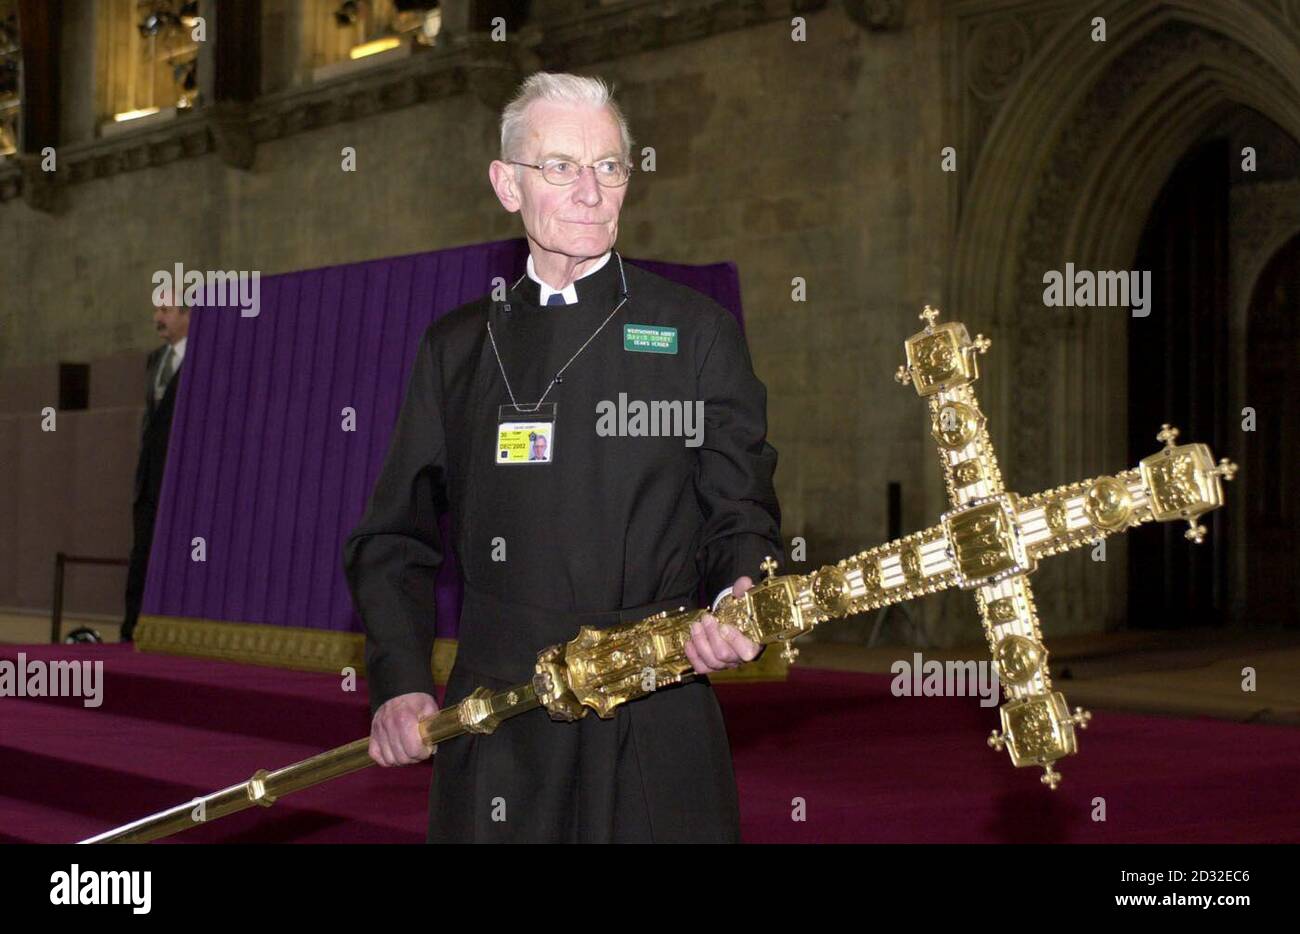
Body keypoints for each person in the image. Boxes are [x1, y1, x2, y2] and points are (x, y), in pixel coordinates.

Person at [343, 71, 782, 843]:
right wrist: (403, 683)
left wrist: (740, 592)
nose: (589, 190)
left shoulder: (695, 333)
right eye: (560, 167)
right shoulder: (457, 348)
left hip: (655, 704)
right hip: (500, 718)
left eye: (609, 166)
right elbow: (392, 538)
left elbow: (739, 510)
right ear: (506, 185)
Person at [122, 302, 189, 642]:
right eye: (155, 309)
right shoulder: (154, 360)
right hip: (149, 480)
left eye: (165, 309)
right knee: (142, 556)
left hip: (183, 481)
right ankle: (130, 630)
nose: (157, 318)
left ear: (188, 313)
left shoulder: (204, 359)